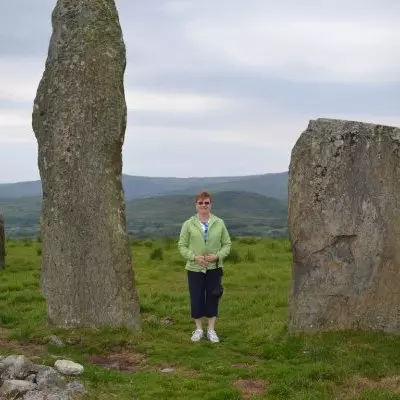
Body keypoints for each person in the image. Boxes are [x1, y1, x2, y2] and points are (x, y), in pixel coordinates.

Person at [178, 191, 231, 343]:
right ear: (196, 205)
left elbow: (227, 244)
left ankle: (211, 330)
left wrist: (217, 256)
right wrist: (194, 257)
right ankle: (199, 329)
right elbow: (181, 245)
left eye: (206, 202)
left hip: (214, 267)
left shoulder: (219, 223)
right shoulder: (188, 224)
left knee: (213, 297)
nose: (203, 205)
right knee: (196, 298)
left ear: (210, 204)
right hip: (194, 268)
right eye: (200, 203)